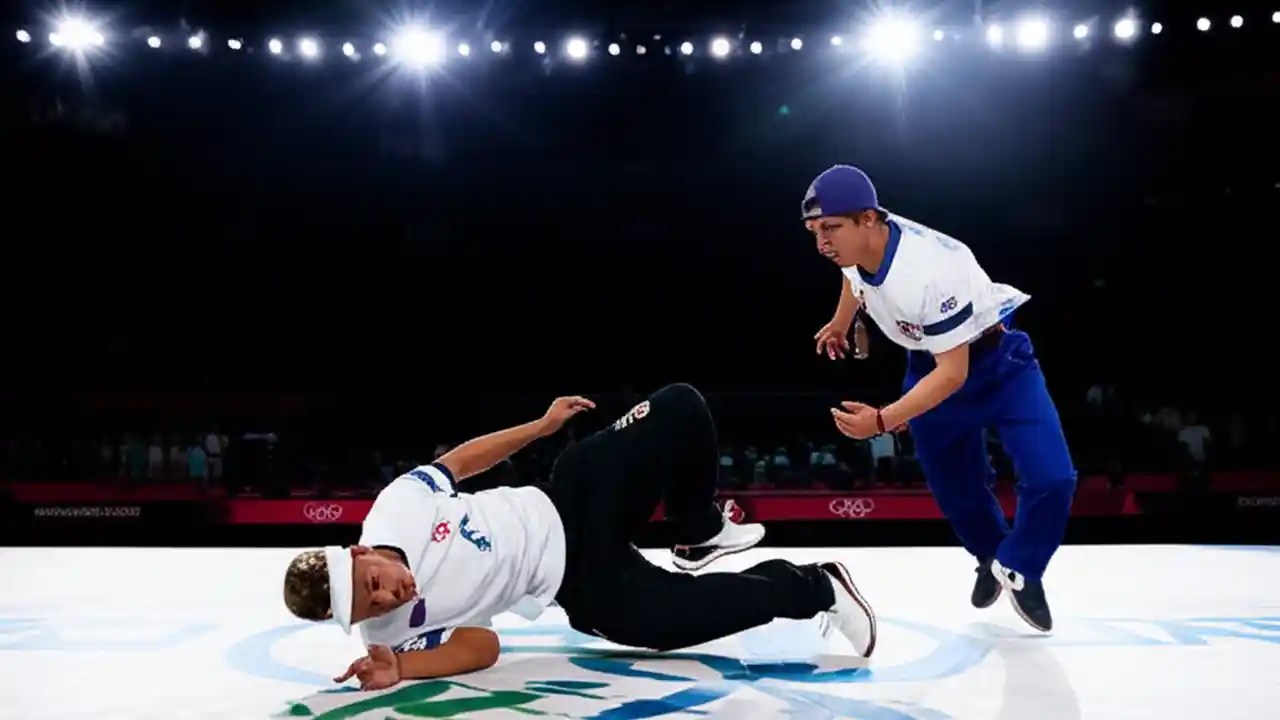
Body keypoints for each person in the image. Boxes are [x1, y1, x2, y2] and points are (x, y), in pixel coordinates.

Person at [283, 383, 876, 691]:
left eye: (374, 584)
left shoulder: (396, 508)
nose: (388, 597)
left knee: (679, 406)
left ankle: (698, 530)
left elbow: (460, 463)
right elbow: (482, 648)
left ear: (360, 552)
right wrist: (406, 669)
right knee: (682, 624)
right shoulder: (387, 632)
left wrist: (542, 427)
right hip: (582, 584)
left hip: (570, 495)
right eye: (372, 605)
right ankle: (818, 587)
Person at [803, 165, 1076, 632]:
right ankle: (990, 554)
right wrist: (841, 322)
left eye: (830, 229)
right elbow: (853, 277)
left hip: (995, 365)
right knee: (956, 488)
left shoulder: (929, 272)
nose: (822, 243)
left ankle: (1020, 565)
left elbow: (954, 374)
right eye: (814, 231)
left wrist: (884, 420)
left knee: (1054, 476)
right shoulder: (858, 243)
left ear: (869, 219)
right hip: (928, 365)